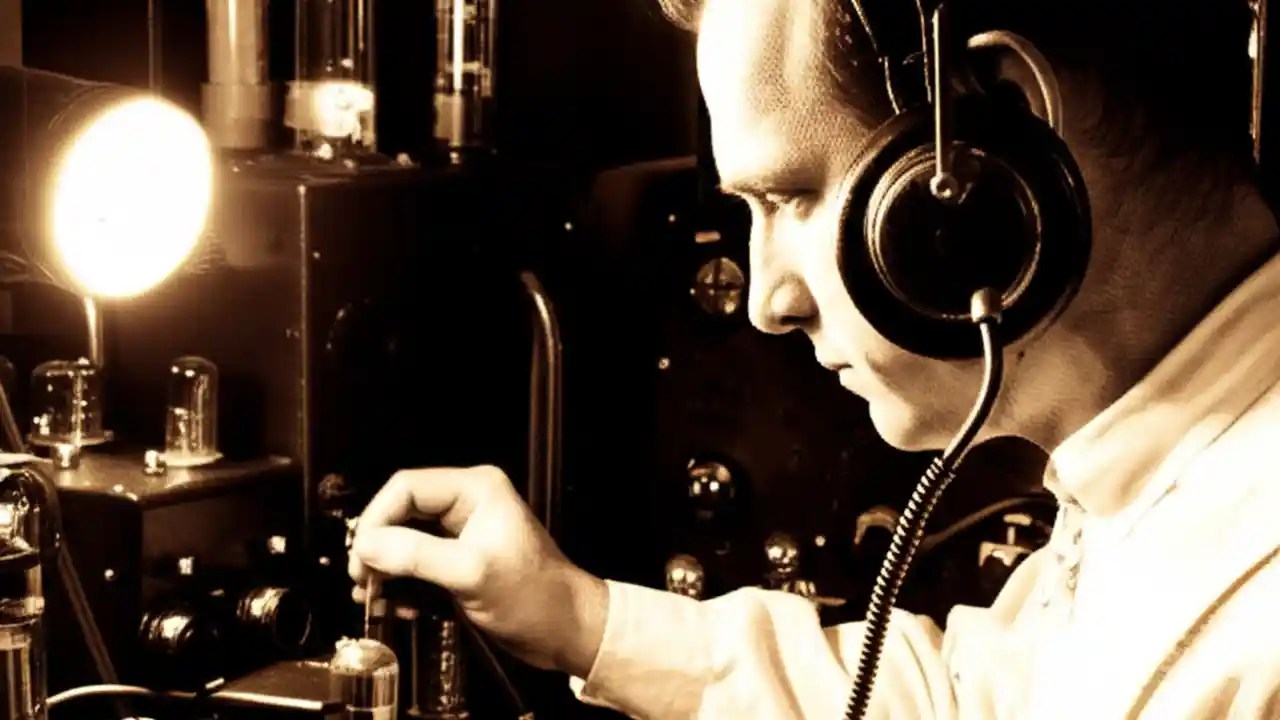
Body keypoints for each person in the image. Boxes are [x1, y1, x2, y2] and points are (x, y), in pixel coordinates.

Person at [349, 0, 1280, 716]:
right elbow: (984, 700)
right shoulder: (1167, 480)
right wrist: (583, 619)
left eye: (789, 197)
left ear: (997, 126)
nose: (766, 302)